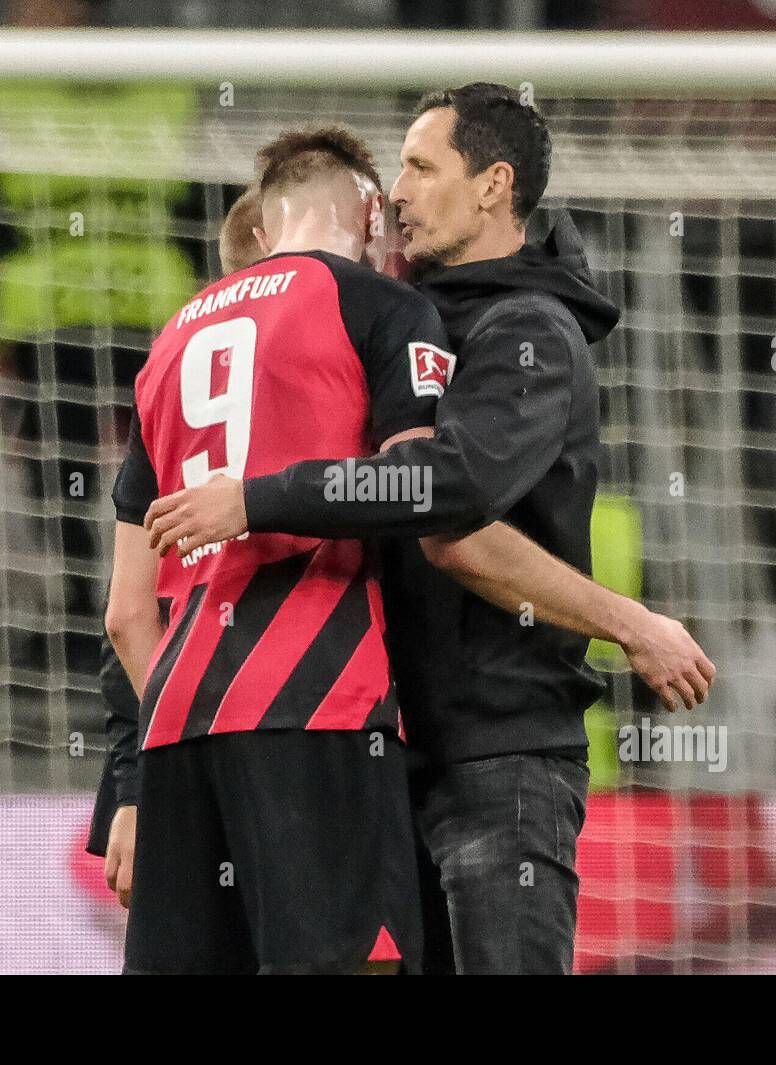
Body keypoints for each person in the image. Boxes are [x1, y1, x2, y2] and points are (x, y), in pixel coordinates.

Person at [143, 85, 716, 974]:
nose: (396, 192)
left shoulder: (526, 330)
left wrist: (634, 624)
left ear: (493, 185)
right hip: (380, 742)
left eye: (419, 166)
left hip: (501, 750)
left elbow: (449, 504)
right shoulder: (385, 323)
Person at [105, 129, 450, 973]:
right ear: (372, 211)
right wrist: (263, 504)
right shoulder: (374, 302)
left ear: (261, 229)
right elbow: (413, 485)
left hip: (179, 718)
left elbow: (124, 613)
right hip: (318, 701)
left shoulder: (170, 342)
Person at [86, 185, 264, 911]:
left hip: (195, 747)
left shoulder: (174, 377)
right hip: (248, 749)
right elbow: (137, 612)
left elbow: (135, 614)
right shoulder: (210, 389)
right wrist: (136, 783)